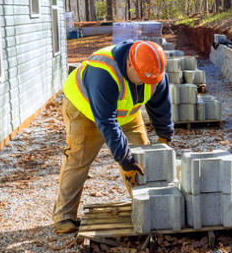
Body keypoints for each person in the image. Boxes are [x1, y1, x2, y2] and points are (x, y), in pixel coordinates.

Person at [53, 40, 174, 234]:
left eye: (151, 80)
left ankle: (145, 208)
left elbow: (161, 105)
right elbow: (107, 122)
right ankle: (64, 216)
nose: (146, 83)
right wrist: (125, 159)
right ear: (129, 64)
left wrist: (164, 137)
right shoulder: (103, 72)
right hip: (84, 109)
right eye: (142, 78)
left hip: (126, 113)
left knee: (142, 158)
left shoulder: (154, 72)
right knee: (78, 158)